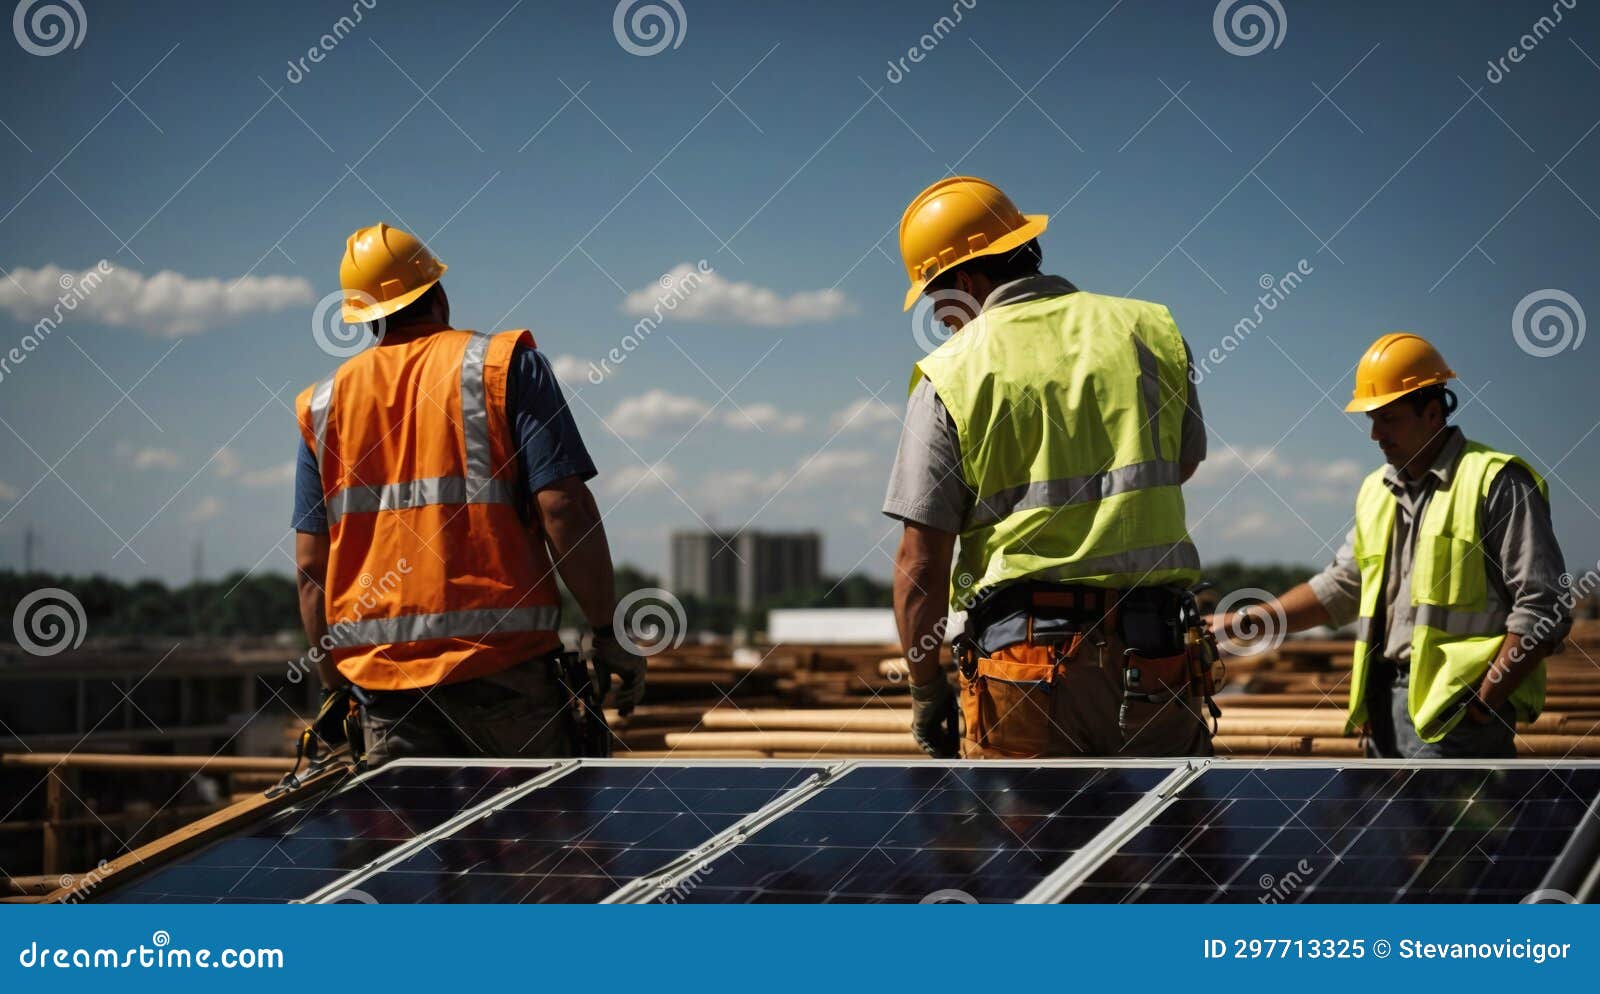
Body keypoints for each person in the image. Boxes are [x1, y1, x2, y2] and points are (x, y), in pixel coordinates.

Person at [291, 223, 645, 766]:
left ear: (362, 319)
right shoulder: (502, 366)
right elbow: (563, 507)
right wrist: (605, 629)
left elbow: (312, 566)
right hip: (504, 671)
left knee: (411, 846)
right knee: (537, 843)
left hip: (385, 690)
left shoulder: (323, 404)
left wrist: (330, 684)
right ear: (438, 293)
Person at [884, 177, 1211, 759]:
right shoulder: (1151, 331)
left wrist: (925, 690)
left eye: (940, 305)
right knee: (1157, 846)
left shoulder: (950, 373)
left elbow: (921, 563)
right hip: (1157, 661)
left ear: (963, 282)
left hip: (1026, 671)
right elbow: (1179, 465)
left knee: (1031, 848)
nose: (946, 322)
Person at [1208, 333, 1570, 758]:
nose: (1375, 434)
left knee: (1458, 826)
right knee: (1393, 827)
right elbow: (1345, 586)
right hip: (1382, 711)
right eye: (1371, 419)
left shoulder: (1496, 482)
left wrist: (1482, 706)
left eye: (1389, 418)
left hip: (1457, 717)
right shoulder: (1376, 492)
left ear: (1433, 413)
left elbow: (1545, 606)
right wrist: (1247, 621)